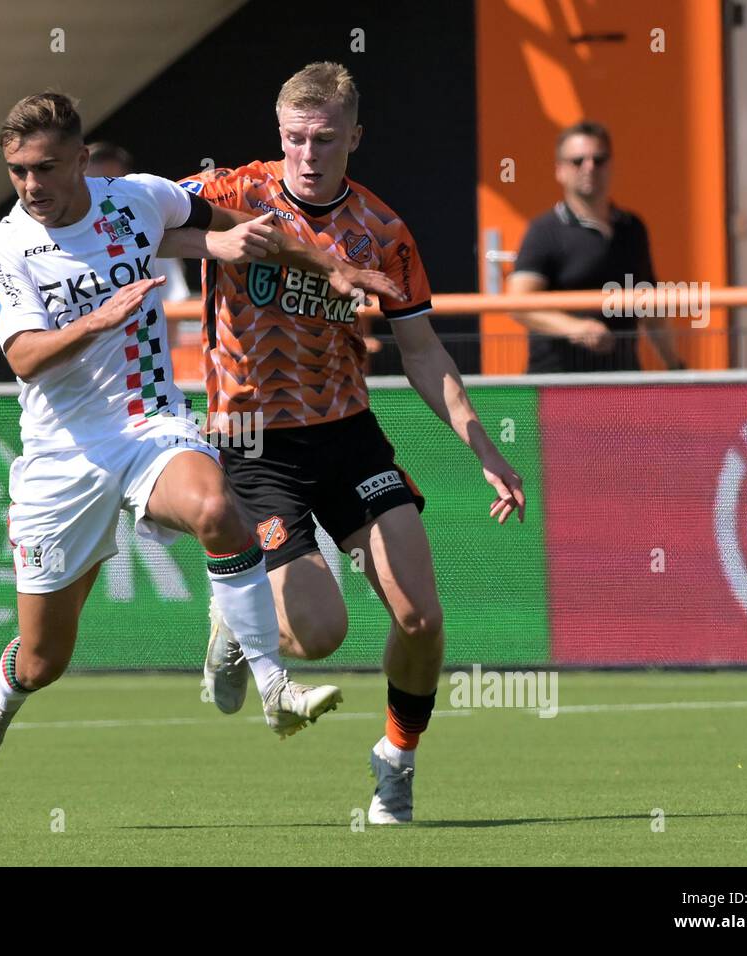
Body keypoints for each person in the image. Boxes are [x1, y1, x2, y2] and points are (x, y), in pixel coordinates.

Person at [0, 91, 386, 779]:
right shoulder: (5, 247)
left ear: (83, 161)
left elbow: (246, 226)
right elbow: (25, 358)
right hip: (62, 454)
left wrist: (330, 267)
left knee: (218, 509)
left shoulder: (136, 200)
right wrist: (96, 321)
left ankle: (274, 689)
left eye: (46, 166)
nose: (31, 185)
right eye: (17, 171)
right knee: (43, 659)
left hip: (149, 423)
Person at [160, 62, 526, 824]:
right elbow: (143, 219)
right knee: (321, 636)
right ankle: (236, 610)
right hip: (256, 444)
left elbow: (424, 352)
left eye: (325, 138)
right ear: (278, 134)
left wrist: (484, 450)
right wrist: (214, 245)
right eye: (294, 137)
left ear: (354, 137)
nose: (308, 153)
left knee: (422, 619)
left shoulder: (383, 232)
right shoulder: (236, 194)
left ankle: (396, 760)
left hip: (349, 440)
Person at [506, 121, 685, 373]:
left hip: (623, 381)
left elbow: (651, 306)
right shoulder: (544, 231)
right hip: (561, 382)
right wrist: (576, 328)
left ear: (610, 165)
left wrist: (675, 367)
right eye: (578, 161)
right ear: (560, 170)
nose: (589, 168)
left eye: (598, 159)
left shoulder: (632, 228)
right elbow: (518, 304)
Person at [86, 141, 193, 305]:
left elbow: (174, 306)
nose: (101, 197)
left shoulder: (149, 238)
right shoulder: (54, 243)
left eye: (109, 186)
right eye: (91, 185)